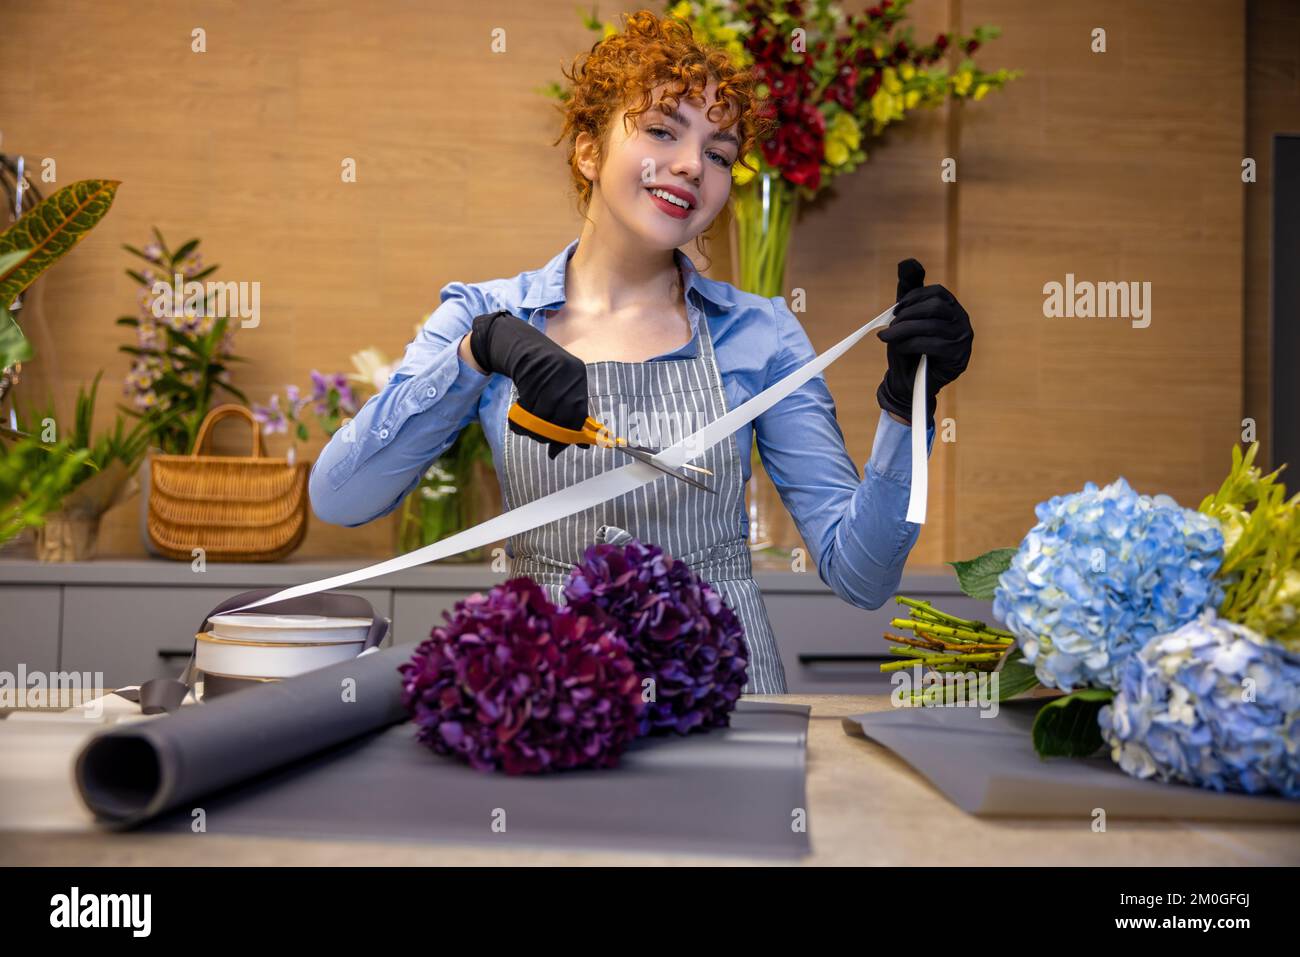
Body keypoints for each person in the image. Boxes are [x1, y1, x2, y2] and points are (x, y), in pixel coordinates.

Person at [309, 9, 973, 694]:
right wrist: (476, 355)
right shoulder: (483, 316)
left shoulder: (762, 333)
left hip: (727, 708)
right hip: (549, 701)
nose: (692, 165)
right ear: (589, 151)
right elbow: (340, 496)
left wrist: (907, 403)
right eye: (662, 130)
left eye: (718, 154)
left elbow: (862, 576)